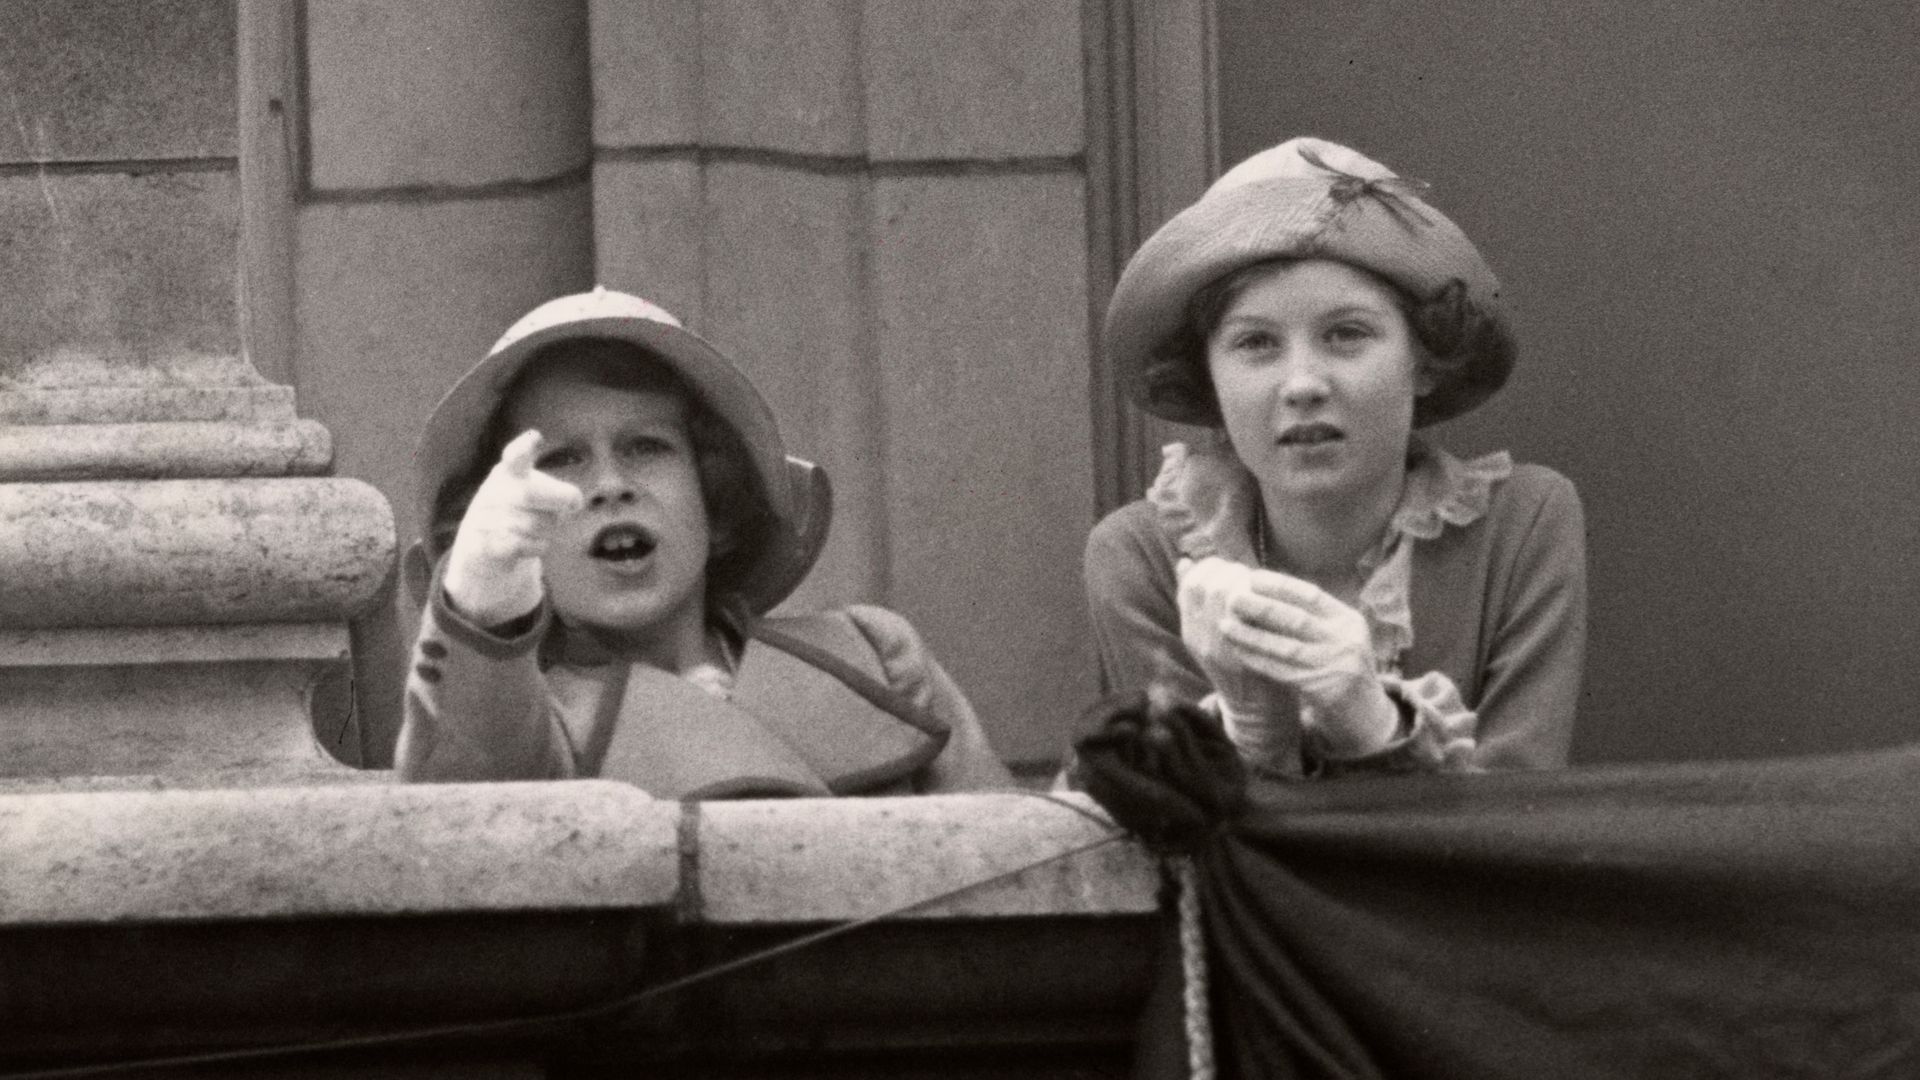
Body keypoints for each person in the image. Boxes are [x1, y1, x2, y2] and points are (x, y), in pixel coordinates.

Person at [1084, 136, 1586, 778]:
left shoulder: (1525, 525)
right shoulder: (1144, 559)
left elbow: (1519, 831)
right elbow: (1186, 837)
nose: (1302, 384)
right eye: (1256, 342)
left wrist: (1374, 726)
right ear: (1208, 375)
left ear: (1423, 361)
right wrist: (1253, 730)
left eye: (1347, 334)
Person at [396, 287, 1013, 798]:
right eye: (561, 459)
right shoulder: (527, 726)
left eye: (646, 447)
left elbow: (1026, 867)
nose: (610, 486)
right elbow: (461, 816)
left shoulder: (873, 654)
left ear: (715, 507)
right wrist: (486, 599)